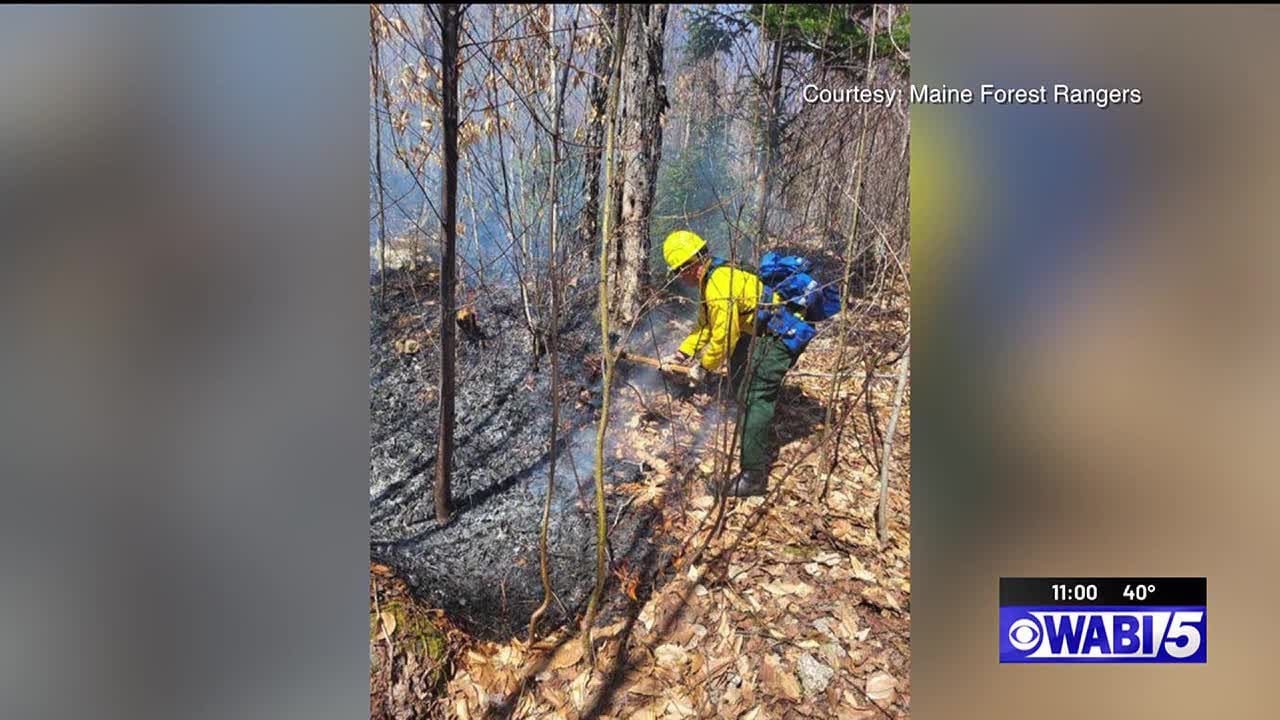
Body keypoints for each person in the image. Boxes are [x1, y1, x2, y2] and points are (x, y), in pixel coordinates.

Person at [661, 230, 799, 497]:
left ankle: (753, 478)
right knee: (739, 376)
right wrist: (681, 354)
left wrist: (703, 367)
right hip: (756, 329)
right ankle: (753, 431)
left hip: (782, 332)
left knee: (754, 397)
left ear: (690, 265)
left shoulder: (718, 285)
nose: (679, 277)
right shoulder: (711, 277)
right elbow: (706, 326)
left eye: (679, 271)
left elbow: (724, 336)